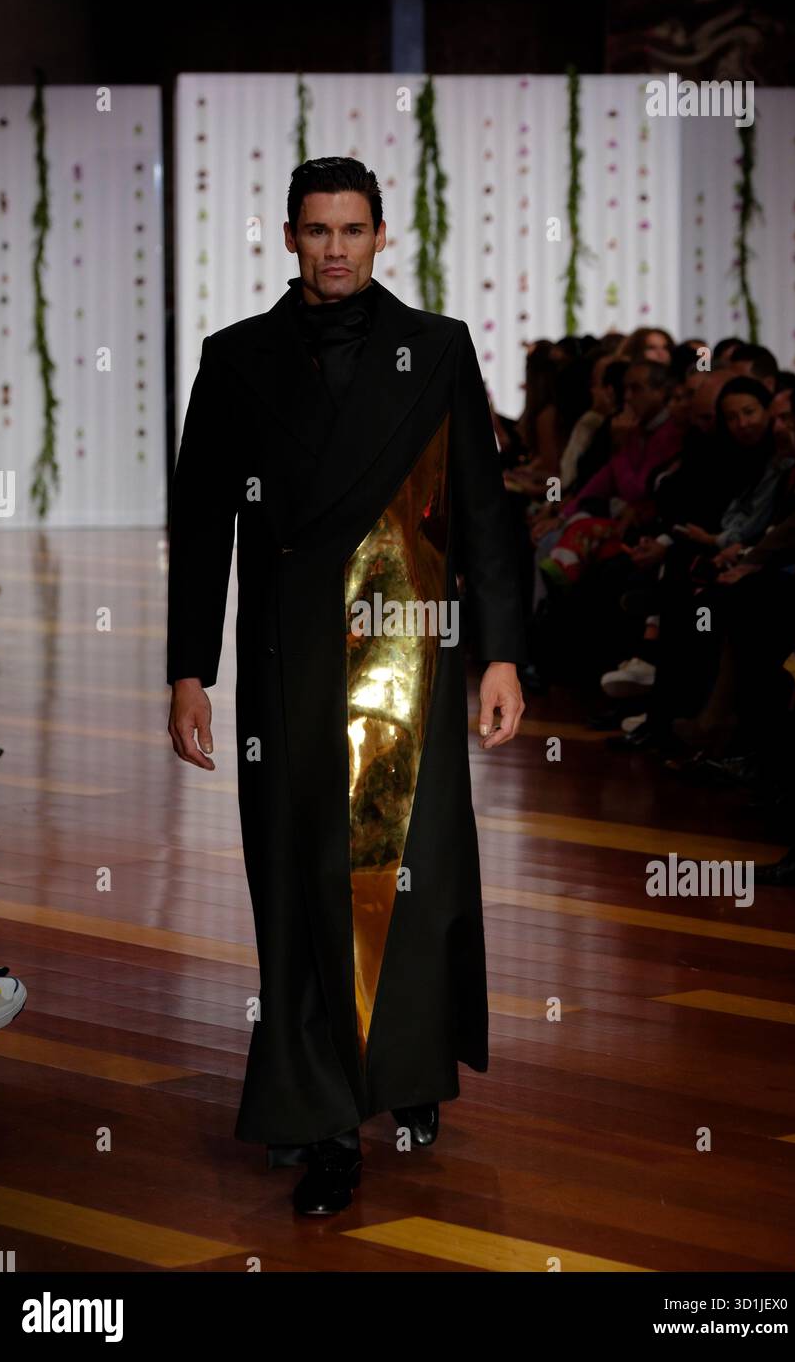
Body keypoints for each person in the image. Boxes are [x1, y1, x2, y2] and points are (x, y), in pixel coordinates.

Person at [165, 157, 527, 1216]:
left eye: (351, 229)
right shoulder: (234, 360)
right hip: (287, 663)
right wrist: (191, 670)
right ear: (287, 238)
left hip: (411, 655)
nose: (333, 248)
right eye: (315, 230)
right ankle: (323, 1118)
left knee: (408, 881)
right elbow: (200, 525)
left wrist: (501, 652)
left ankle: (406, 1076)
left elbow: (483, 513)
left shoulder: (439, 349)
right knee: (301, 882)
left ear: (381, 236)